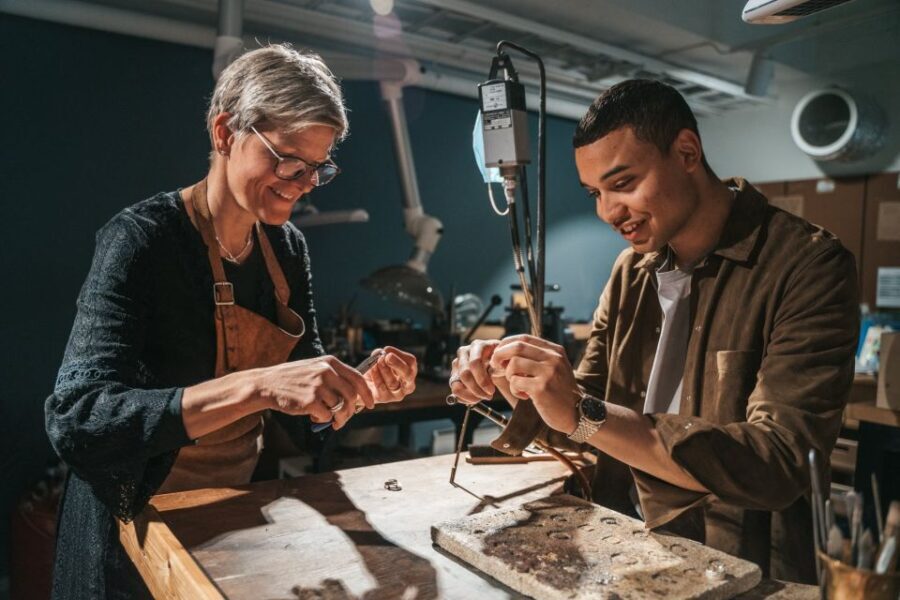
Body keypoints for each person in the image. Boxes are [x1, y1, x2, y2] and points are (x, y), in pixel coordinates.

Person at [45, 44, 418, 599]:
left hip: (236, 521)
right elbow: (77, 421)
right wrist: (257, 385)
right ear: (225, 133)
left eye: (318, 167)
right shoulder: (142, 240)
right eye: (288, 158)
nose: (303, 181)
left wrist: (353, 387)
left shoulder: (287, 248)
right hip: (133, 531)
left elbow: (300, 416)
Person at [450, 79, 859, 583]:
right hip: (625, 543)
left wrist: (582, 412)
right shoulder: (631, 272)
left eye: (622, 184)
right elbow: (587, 409)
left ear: (687, 152)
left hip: (744, 564)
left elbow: (778, 462)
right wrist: (521, 382)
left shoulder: (806, 265)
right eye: (595, 193)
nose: (607, 212)